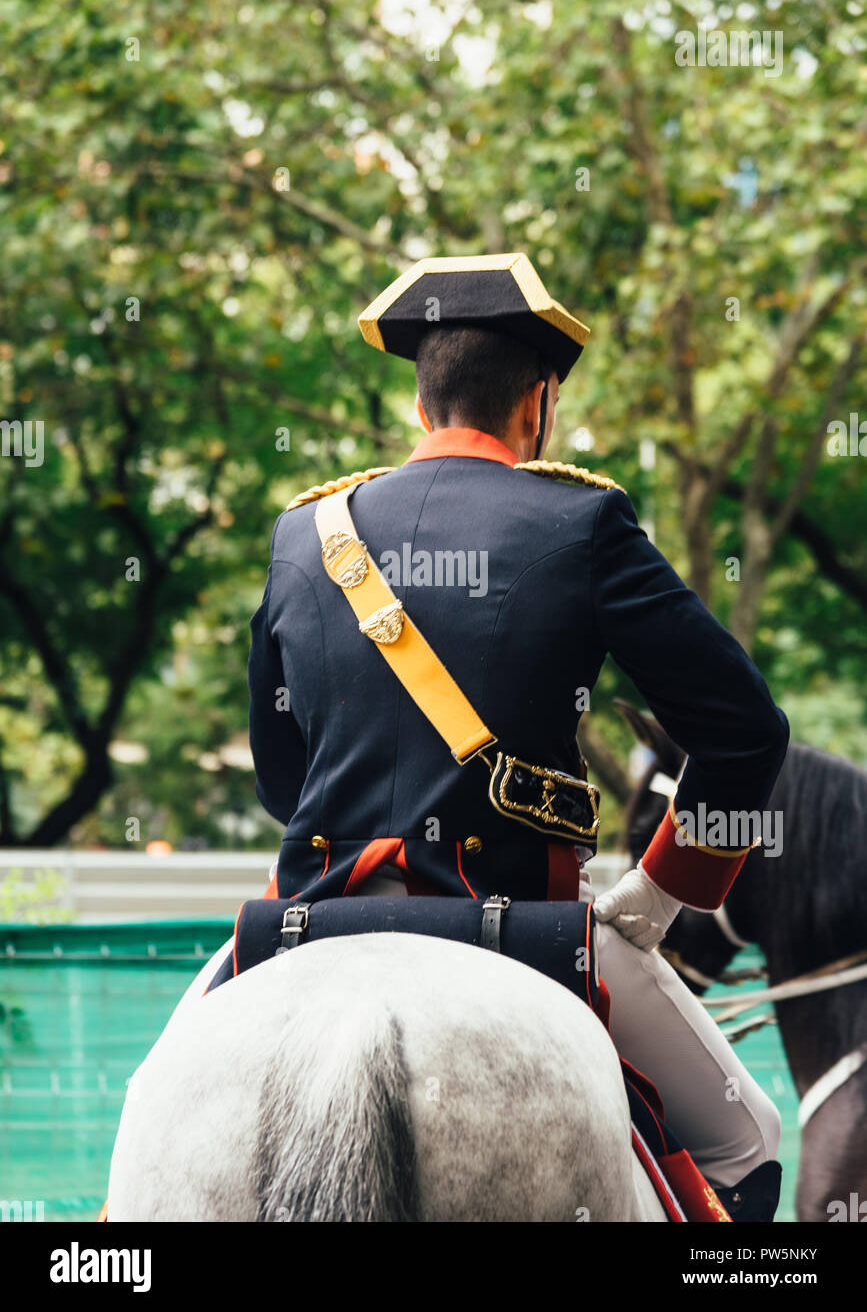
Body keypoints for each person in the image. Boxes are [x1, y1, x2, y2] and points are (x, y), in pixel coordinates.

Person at [245, 252, 789, 1220]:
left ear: (422, 403)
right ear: (536, 403)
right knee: (748, 1141)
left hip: (303, 923)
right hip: (526, 925)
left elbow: (282, 780)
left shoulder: (302, 536)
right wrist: (656, 900)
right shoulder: (581, 521)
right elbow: (745, 729)